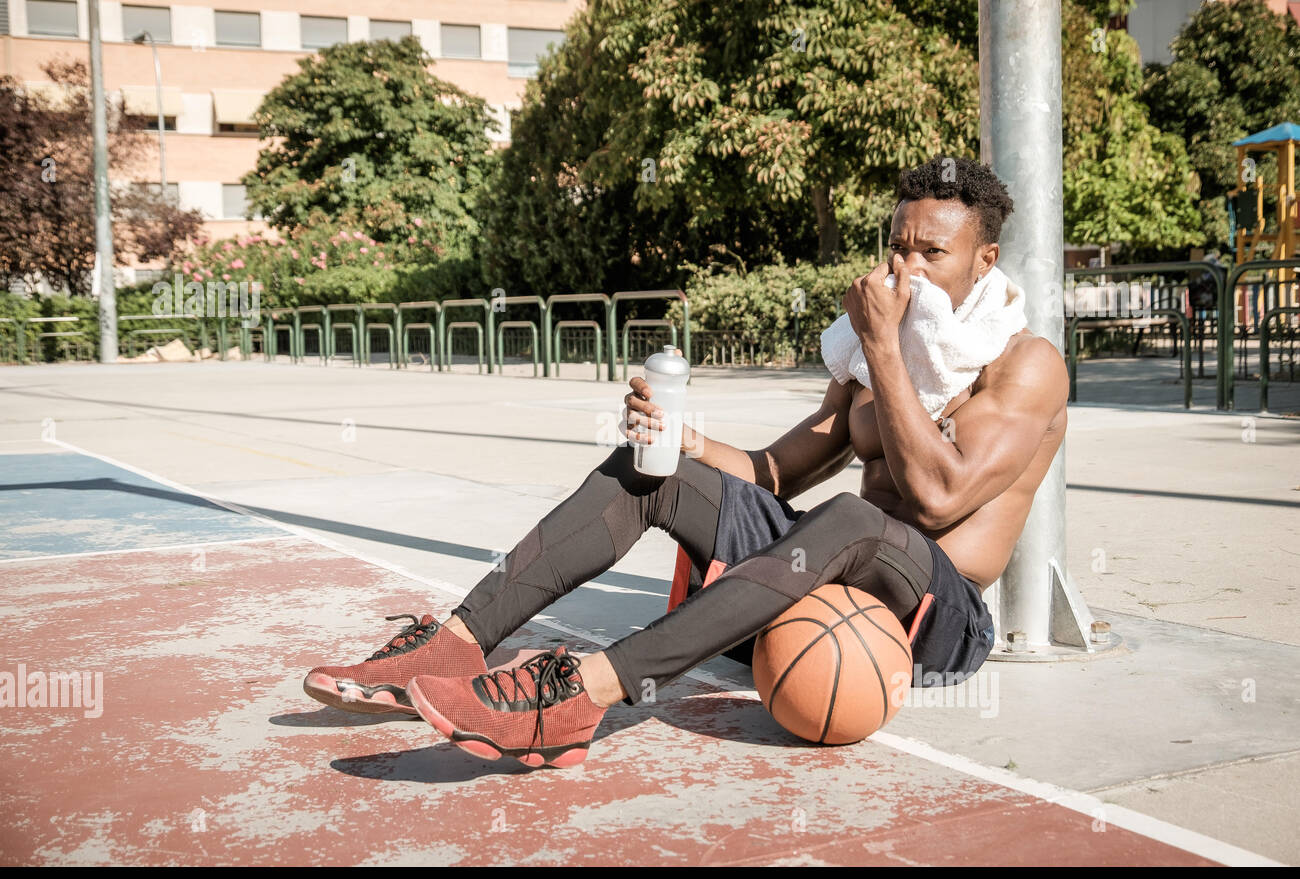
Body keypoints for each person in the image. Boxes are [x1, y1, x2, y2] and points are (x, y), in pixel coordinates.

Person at [302, 156, 1070, 768]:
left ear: (985, 258)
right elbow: (775, 473)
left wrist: (880, 346)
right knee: (652, 469)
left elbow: (938, 499)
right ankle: (457, 640)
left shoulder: (1024, 365)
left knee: (851, 519)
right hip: (827, 573)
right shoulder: (881, 352)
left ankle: (579, 694)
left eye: (933, 252)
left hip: (937, 618)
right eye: (897, 248)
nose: (908, 270)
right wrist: (688, 443)